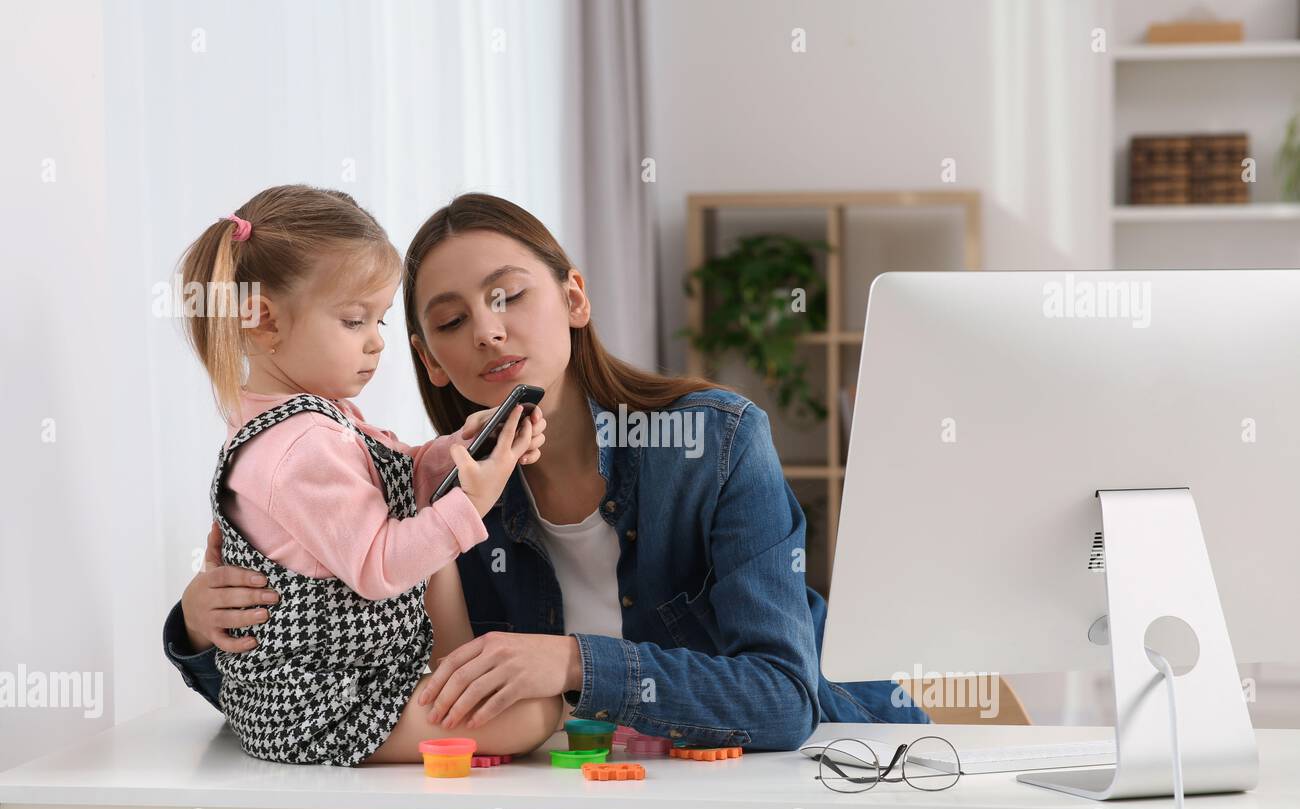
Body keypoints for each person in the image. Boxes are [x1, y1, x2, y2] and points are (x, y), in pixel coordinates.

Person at [165, 192, 929, 754]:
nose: (489, 329)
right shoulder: (428, 502)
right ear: (430, 359)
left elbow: (783, 702)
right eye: (452, 320)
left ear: (573, 297)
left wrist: (568, 662)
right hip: (598, 803)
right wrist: (204, 629)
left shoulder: (716, 442)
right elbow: (334, 695)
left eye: (508, 295)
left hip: (849, 773)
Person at [175, 185, 556, 767]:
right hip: (322, 704)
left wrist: (456, 449)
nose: (378, 342)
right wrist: (470, 504)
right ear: (265, 322)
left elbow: (398, 480)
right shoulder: (299, 447)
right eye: (354, 320)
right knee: (539, 713)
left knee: (528, 700)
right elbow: (380, 565)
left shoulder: (316, 422)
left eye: (378, 318)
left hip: (358, 673)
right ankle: (450, 696)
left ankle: (450, 689)